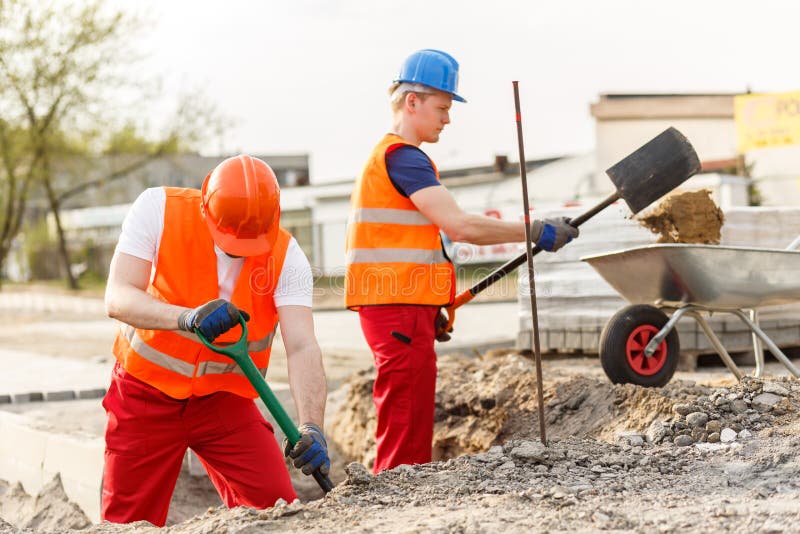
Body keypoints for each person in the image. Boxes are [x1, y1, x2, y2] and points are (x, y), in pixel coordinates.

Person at [345, 49, 578, 473]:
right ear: (412, 101)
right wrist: (534, 231)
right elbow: (460, 226)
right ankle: (393, 502)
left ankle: (403, 498)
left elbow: (416, 242)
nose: (448, 119)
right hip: (396, 310)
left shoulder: (388, 159)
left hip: (401, 308)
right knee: (404, 430)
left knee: (409, 423)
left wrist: (430, 304)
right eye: (442, 107)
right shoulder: (403, 158)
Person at [102, 155, 330, 526]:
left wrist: (311, 425)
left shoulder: (287, 257)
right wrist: (186, 318)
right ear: (204, 208)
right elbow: (118, 295)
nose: (238, 250)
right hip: (144, 394)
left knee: (277, 508)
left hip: (224, 401)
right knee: (127, 523)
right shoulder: (158, 209)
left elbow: (302, 346)